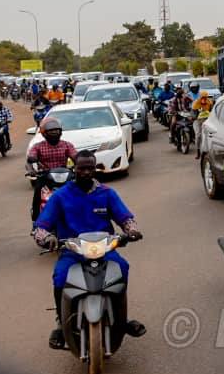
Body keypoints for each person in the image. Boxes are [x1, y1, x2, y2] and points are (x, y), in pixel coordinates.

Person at [33, 150, 145, 350]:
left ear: (96, 168)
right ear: (74, 169)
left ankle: (122, 318)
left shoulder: (107, 193)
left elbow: (125, 218)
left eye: (90, 168)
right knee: (60, 276)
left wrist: (132, 230)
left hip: (104, 249)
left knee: (122, 267)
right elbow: (41, 226)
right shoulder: (60, 196)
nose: (86, 172)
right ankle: (61, 323)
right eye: (81, 168)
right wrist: (46, 237)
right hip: (72, 252)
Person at [26, 117, 79, 221]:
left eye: (56, 130)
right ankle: (36, 221)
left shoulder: (67, 145)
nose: (54, 133)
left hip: (65, 175)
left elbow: (75, 157)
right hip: (45, 177)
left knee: (79, 192)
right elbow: (29, 160)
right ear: (44, 133)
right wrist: (31, 169)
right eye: (51, 131)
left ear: (60, 132)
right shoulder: (38, 147)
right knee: (38, 193)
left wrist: (78, 166)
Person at [192, 89, 214, 153]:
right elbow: (194, 113)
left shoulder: (209, 102)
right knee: (198, 135)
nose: (204, 99)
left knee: (208, 134)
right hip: (197, 121)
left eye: (205, 97)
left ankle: (208, 149)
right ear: (200, 97)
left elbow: (211, 112)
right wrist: (199, 113)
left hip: (206, 121)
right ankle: (198, 150)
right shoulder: (196, 103)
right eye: (202, 97)